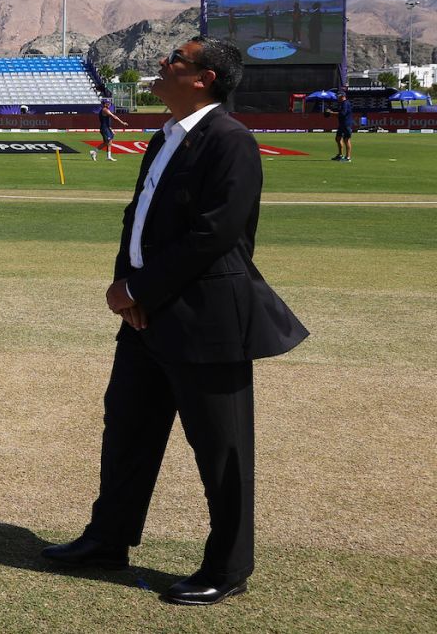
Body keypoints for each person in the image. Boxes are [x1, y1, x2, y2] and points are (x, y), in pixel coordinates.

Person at [41, 37, 308, 605]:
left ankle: (228, 565)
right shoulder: (166, 135)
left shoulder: (231, 141)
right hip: (145, 319)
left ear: (204, 78)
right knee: (127, 433)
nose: (161, 67)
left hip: (207, 320)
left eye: (174, 62)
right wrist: (128, 286)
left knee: (222, 450)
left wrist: (137, 287)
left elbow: (215, 234)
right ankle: (108, 539)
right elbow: (137, 220)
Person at [332, 90, 354, 162]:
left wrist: (332, 113)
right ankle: (340, 155)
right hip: (342, 124)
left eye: (339, 96)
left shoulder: (345, 103)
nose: (337, 98)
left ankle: (348, 157)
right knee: (338, 138)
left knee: (346, 140)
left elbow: (342, 114)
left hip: (346, 124)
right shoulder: (341, 103)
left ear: (343, 96)